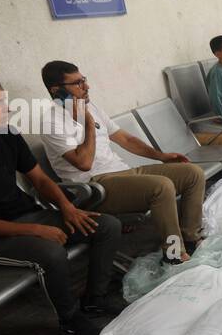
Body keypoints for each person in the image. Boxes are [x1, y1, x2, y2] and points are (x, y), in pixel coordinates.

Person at [0, 70, 122, 335]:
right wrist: (35, 230)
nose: (5, 109)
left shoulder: (6, 135)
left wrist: (67, 207)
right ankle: (70, 319)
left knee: (106, 225)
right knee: (51, 252)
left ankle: (95, 298)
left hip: (30, 216)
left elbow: (40, 180)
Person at [39, 61, 206, 264]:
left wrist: (161, 156)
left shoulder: (91, 106)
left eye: (84, 80)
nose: (86, 86)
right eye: (77, 83)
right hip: (95, 185)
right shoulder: (51, 122)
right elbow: (83, 163)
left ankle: (190, 237)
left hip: (125, 173)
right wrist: (89, 124)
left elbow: (125, 139)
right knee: (162, 187)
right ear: (57, 91)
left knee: (192, 173)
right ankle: (173, 254)